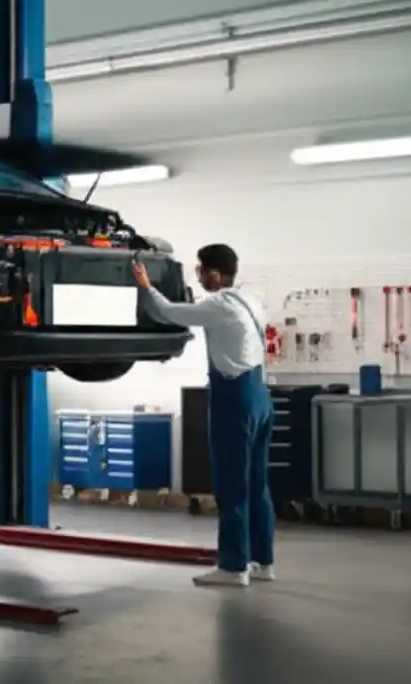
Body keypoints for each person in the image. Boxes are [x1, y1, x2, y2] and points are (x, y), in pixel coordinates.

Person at [131, 244, 275, 588]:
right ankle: (262, 561)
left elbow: (168, 313)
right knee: (257, 485)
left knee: (231, 485)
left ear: (213, 273)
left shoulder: (218, 306)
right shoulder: (249, 300)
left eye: (200, 270)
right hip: (260, 396)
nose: (198, 275)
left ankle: (232, 566)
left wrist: (145, 285)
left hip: (234, 400)